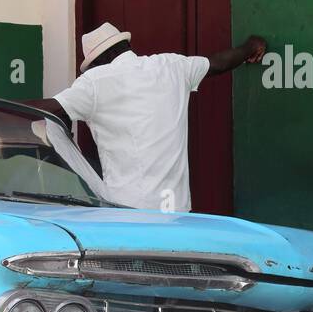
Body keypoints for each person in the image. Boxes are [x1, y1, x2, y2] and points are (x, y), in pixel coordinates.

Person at [28, 22, 267, 212]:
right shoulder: (172, 66)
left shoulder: (95, 82)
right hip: (175, 208)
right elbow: (217, 64)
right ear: (125, 46)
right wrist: (251, 47)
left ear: (99, 60)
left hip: (127, 211)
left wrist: (4, 106)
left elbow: (51, 108)